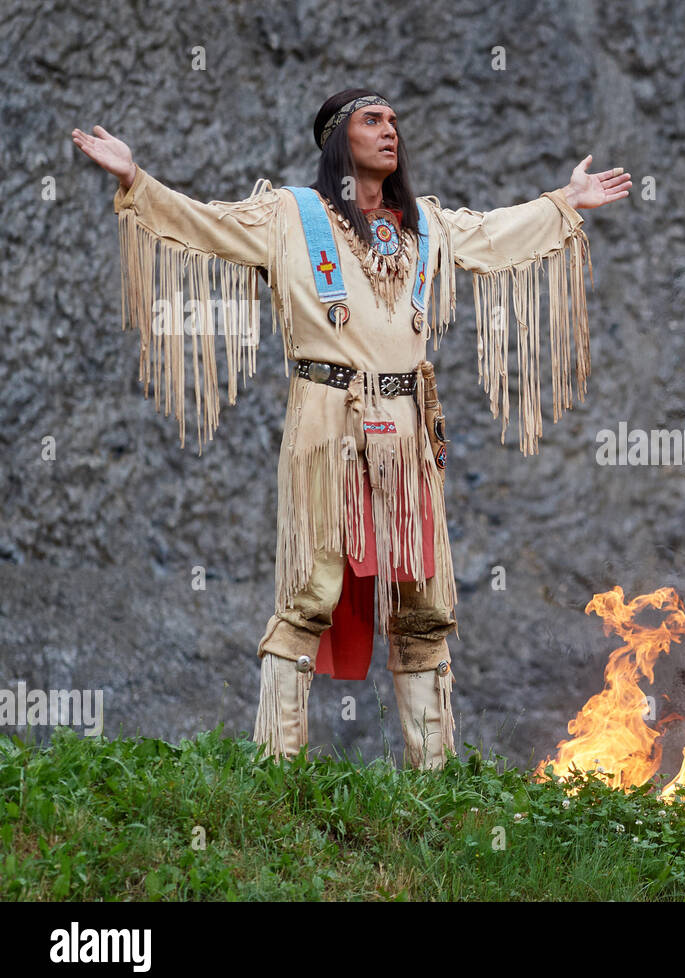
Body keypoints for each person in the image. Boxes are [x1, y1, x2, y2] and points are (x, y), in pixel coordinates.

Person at [71, 88, 631, 770]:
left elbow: (492, 233)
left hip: (407, 426)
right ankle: (279, 770)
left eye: (395, 119)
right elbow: (206, 225)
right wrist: (137, 179)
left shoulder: (422, 226)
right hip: (328, 419)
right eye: (373, 120)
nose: (391, 130)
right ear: (340, 138)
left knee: (424, 598)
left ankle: (436, 779)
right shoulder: (291, 215)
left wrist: (564, 202)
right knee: (313, 586)